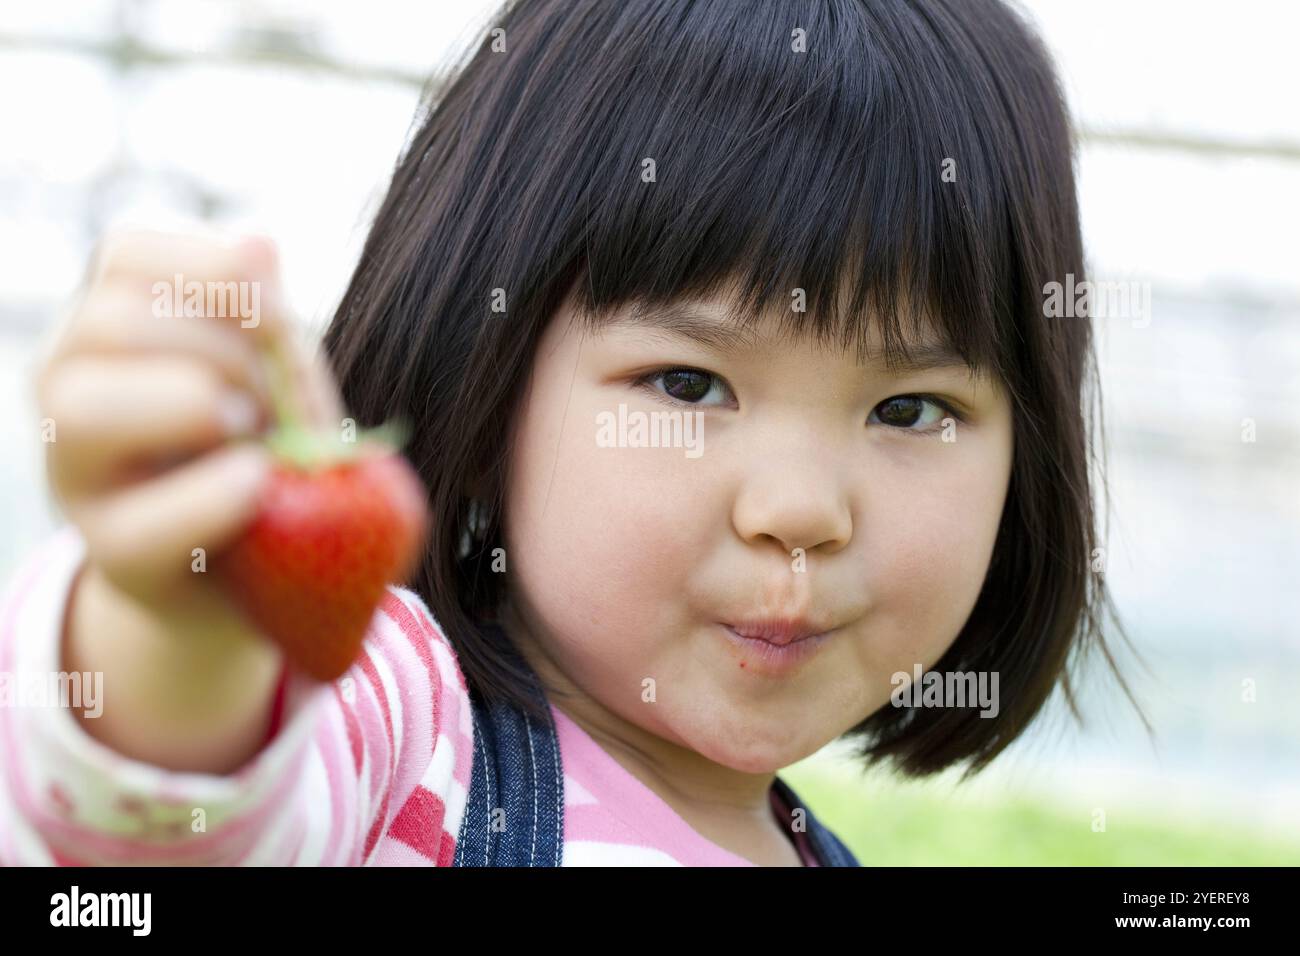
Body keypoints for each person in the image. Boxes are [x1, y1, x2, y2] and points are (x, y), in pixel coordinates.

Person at [0, 0, 1147, 866]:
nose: (799, 509)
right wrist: (182, 632)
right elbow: (166, 826)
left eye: (910, 410)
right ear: (484, 375)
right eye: (688, 385)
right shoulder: (407, 730)